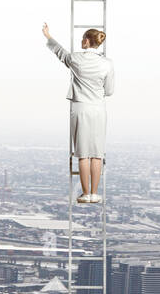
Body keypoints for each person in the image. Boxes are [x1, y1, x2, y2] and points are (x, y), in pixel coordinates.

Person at [42, 23, 115, 204]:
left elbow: (60, 52)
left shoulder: (76, 59)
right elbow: (110, 90)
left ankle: (85, 193)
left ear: (86, 41)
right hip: (98, 109)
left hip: (80, 108)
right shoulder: (107, 63)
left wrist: (48, 36)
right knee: (97, 153)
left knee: (83, 153)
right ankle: (95, 193)